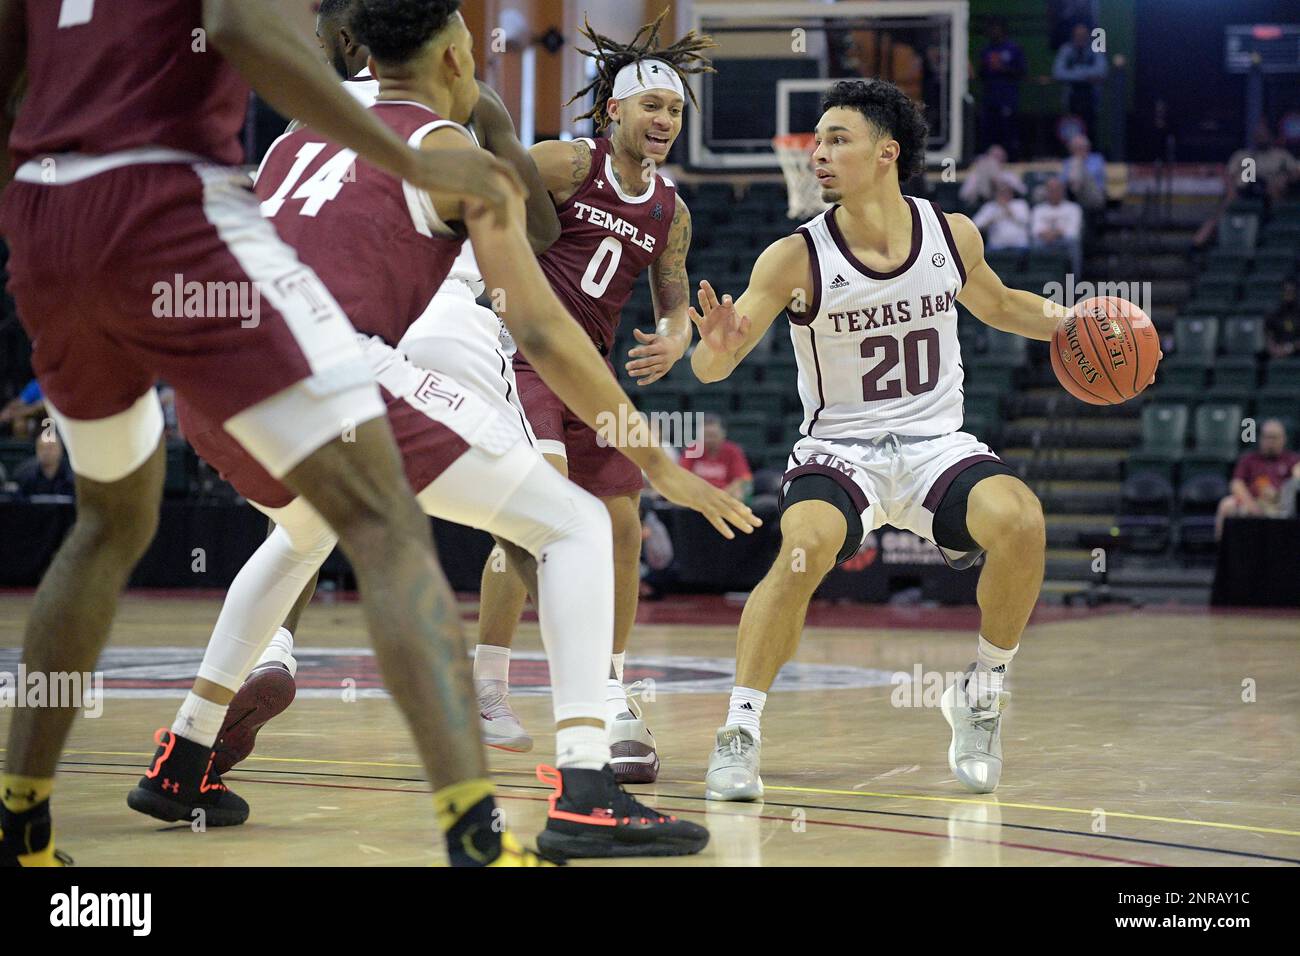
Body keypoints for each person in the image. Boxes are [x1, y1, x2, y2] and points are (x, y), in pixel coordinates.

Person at [142, 0, 754, 861]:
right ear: (455, 60)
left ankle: (183, 755)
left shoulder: (294, 136)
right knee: (571, 522)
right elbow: (540, 328)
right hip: (335, 371)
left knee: (304, 532)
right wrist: (656, 458)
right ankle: (586, 787)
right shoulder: (455, 156)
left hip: (217, 384)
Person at [0, 0, 542, 868]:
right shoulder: (412, 128)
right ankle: (477, 837)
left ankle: (22, 824)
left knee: (107, 524)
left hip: (44, 219)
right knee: (382, 520)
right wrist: (402, 154)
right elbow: (244, 28)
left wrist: (38, 222)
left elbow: (10, 82)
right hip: (172, 210)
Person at [688, 78, 1155, 802]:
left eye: (837, 139)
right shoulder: (794, 257)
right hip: (841, 451)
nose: (818, 153)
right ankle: (739, 731)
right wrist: (713, 346)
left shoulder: (951, 233)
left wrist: (1070, 321)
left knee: (1024, 519)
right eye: (816, 141)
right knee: (803, 545)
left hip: (936, 445)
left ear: (886, 152)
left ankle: (982, 693)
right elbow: (713, 366)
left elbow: (999, 305)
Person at [474, 10, 718, 785]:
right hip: (523, 355)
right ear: (614, 110)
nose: (665, 120)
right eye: (653, 106)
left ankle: (611, 689)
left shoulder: (670, 210)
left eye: (675, 110)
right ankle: (488, 683)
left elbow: (673, 300)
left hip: (591, 374)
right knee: (541, 510)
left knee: (620, 527)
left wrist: (678, 335)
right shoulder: (566, 165)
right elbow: (480, 189)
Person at [1216, 419, 1300, 538]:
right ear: (1260, 438)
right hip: (1253, 503)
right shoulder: (1249, 459)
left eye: (1274, 437)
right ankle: (1222, 550)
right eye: (1267, 437)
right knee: (1227, 504)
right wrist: (1252, 505)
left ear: (1284, 439)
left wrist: (1279, 495)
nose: (1270, 442)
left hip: (1281, 504)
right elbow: (1236, 484)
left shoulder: (1292, 459)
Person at [976, 18, 1026, 159]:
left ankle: (1011, 160)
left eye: (995, 28)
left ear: (1003, 30)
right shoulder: (986, 50)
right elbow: (981, 73)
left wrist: (1003, 68)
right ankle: (989, 160)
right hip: (989, 98)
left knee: (1008, 132)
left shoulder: (1014, 48)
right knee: (989, 132)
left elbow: (1021, 72)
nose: (993, 32)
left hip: (1008, 98)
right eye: (990, 29)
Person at [1052, 22, 1106, 141]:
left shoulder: (1096, 48)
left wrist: (1073, 72)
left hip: (1091, 99)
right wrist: (1086, 74)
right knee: (1071, 133)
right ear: (1073, 36)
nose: (1080, 38)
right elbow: (1058, 72)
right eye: (1077, 35)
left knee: (1091, 131)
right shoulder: (1066, 49)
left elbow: (1102, 71)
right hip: (1071, 98)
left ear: (1088, 36)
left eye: (1083, 35)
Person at [680, 414, 753, 499]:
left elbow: (742, 478)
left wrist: (722, 496)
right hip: (697, 495)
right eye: (706, 436)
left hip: (725, 494)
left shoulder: (733, 451)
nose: (709, 440)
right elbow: (682, 475)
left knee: (739, 493)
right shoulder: (692, 450)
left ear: (723, 435)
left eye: (713, 436)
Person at [1031, 177, 1084, 276]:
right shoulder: (1039, 209)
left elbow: (1073, 231)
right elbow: (1036, 230)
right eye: (1051, 190)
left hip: (1064, 242)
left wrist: (1054, 234)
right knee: (1036, 244)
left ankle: (1074, 281)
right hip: (1045, 242)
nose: (1054, 192)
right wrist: (1049, 235)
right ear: (1046, 192)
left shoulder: (1073, 208)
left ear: (1062, 191)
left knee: (1073, 243)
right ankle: (1039, 279)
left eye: (1057, 189)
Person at [972, 177, 1031, 254]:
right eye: (1001, 192)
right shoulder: (989, 207)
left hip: (1019, 246)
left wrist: (1006, 208)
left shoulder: (1020, 204)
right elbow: (975, 225)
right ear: (996, 193)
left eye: (1007, 191)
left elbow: (1026, 222)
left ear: (1011, 192)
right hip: (996, 247)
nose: (1004, 194)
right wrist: (989, 221)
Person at [12, 431, 74, 498]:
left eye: (50, 448)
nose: (45, 452)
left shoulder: (71, 478)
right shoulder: (26, 477)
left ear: (60, 450)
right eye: (41, 448)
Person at [958, 145, 1023, 209]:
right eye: (993, 156)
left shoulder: (1009, 175)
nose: (995, 160)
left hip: (1006, 207)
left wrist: (1002, 183)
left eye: (999, 157)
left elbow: (1023, 191)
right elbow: (963, 195)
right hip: (982, 207)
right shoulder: (975, 175)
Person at [1061, 133, 1106, 210]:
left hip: (1093, 195)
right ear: (1071, 149)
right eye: (1076, 148)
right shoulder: (1067, 162)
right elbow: (1062, 180)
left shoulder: (1097, 159)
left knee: (1076, 164)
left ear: (1088, 148)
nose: (1079, 150)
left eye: (1081, 147)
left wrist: (1079, 162)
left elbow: (1091, 176)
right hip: (1071, 193)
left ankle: (1074, 191)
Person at [1266, 279, 1300, 359]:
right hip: (1278, 353)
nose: (1288, 294)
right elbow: (1269, 333)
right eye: (1286, 291)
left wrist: (1289, 348)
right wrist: (1273, 349)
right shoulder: (1274, 312)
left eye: (1291, 291)